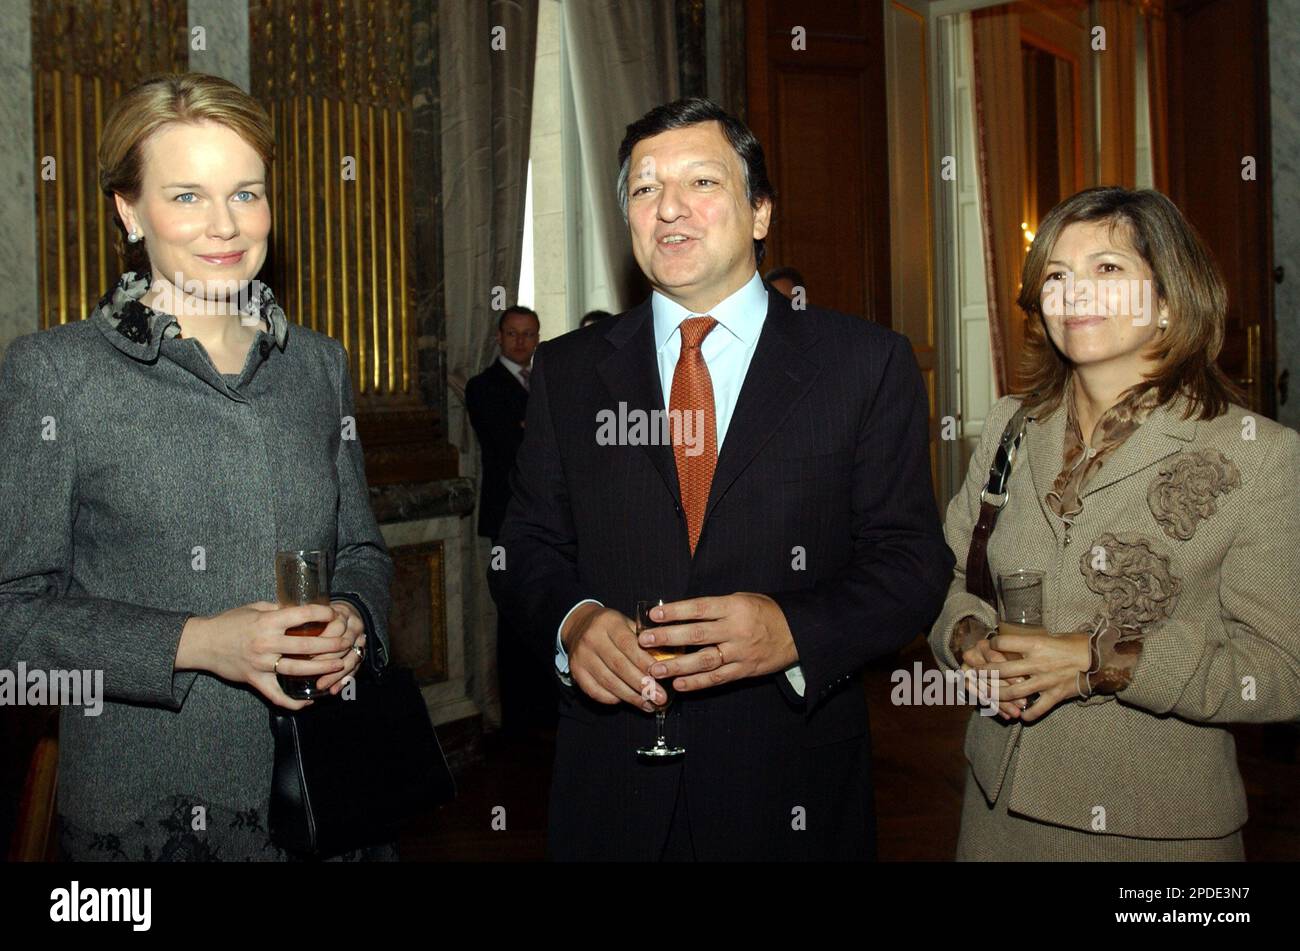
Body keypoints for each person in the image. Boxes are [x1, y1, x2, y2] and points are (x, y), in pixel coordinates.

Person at [489, 97, 951, 860]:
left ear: (761, 212)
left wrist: (794, 629)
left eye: (702, 182)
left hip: (789, 779)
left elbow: (913, 562)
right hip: (612, 785)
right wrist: (575, 622)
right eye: (644, 189)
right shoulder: (569, 371)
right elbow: (524, 545)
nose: (669, 208)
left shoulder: (864, 364)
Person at [0, 73, 393, 861]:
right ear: (128, 209)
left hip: (329, 800)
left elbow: (362, 551)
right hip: (148, 820)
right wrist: (197, 642)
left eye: (246, 193)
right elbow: (12, 621)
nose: (225, 225)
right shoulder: (55, 374)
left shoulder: (318, 364)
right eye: (186, 196)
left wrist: (353, 615)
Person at [929, 186, 1300, 860]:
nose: (1075, 292)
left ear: (1168, 300)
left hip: (1153, 832)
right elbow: (952, 578)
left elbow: (1281, 669)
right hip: (994, 817)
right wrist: (969, 640)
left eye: (1107, 269)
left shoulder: (1258, 455)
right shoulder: (1012, 429)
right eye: (1056, 275)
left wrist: (1102, 661)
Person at [465, 305, 555, 733]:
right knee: (513, 613)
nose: (521, 342)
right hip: (506, 516)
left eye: (529, 334)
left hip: (552, 515)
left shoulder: (547, 380)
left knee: (546, 605)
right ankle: (518, 718)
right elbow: (510, 445)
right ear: (499, 337)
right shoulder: (483, 386)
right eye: (513, 334)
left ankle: (546, 711)